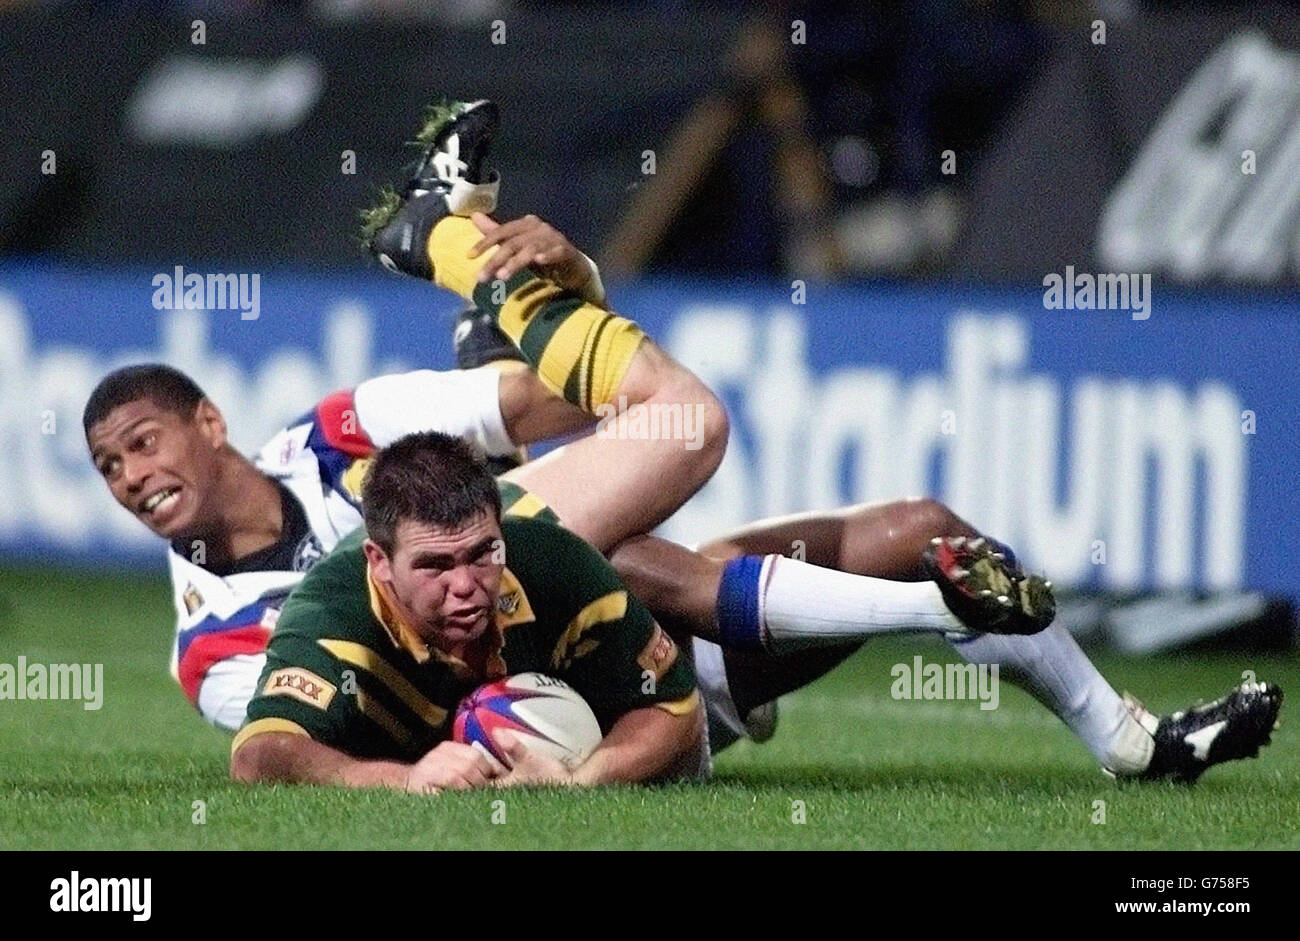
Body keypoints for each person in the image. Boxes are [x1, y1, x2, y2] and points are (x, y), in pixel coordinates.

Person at [230, 432, 705, 790]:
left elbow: (676, 710)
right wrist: (405, 779)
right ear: (379, 563)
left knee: (741, 667)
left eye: (483, 554)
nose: (465, 587)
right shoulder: (330, 616)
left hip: (615, 717)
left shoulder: (550, 560)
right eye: (434, 565)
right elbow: (259, 754)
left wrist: (579, 780)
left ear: (503, 530)